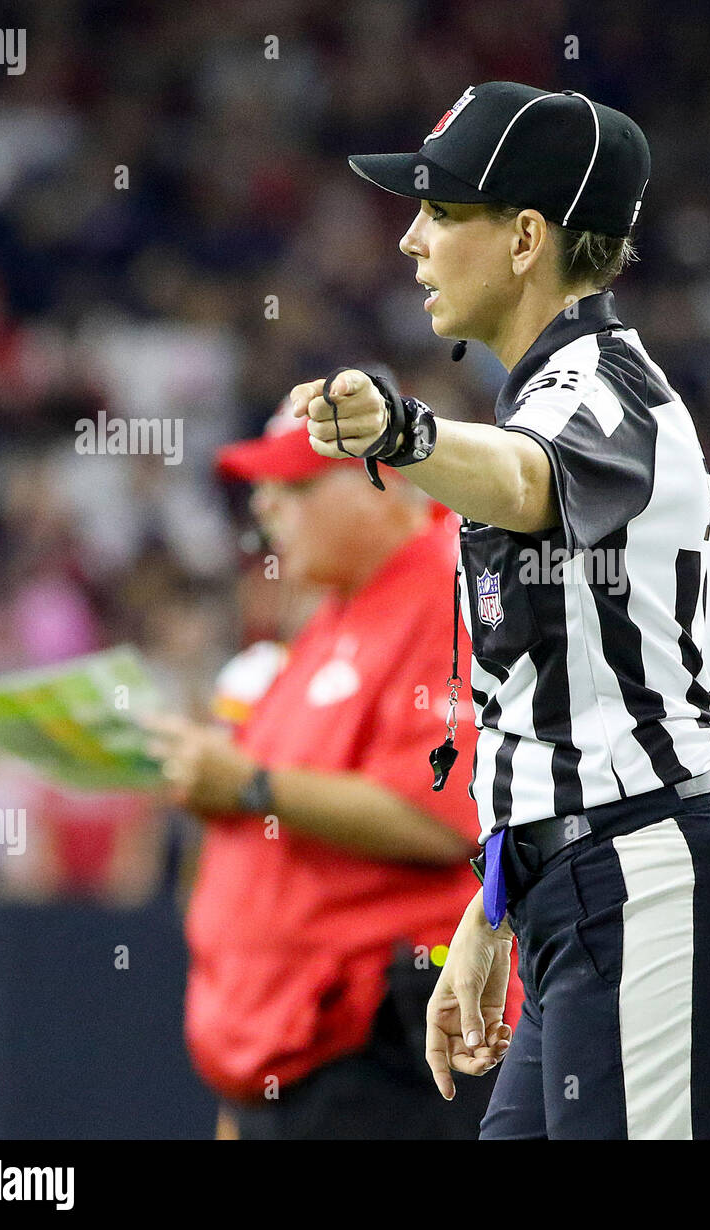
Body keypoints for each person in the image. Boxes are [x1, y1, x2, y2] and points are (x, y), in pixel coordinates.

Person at [291, 80, 710, 1139]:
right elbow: (537, 705)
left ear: (526, 237)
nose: (409, 241)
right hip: (587, 883)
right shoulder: (551, 390)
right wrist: (493, 911)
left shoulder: (603, 385)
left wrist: (403, 432)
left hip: (657, 875)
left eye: (440, 212)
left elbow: (529, 481)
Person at [144, 396, 499, 1140]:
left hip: (381, 1050)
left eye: (296, 486)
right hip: (297, 1056)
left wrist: (245, 785)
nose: (268, 506)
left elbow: (445, 819)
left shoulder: (445, 590)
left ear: (383, 479)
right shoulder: (340, 613)